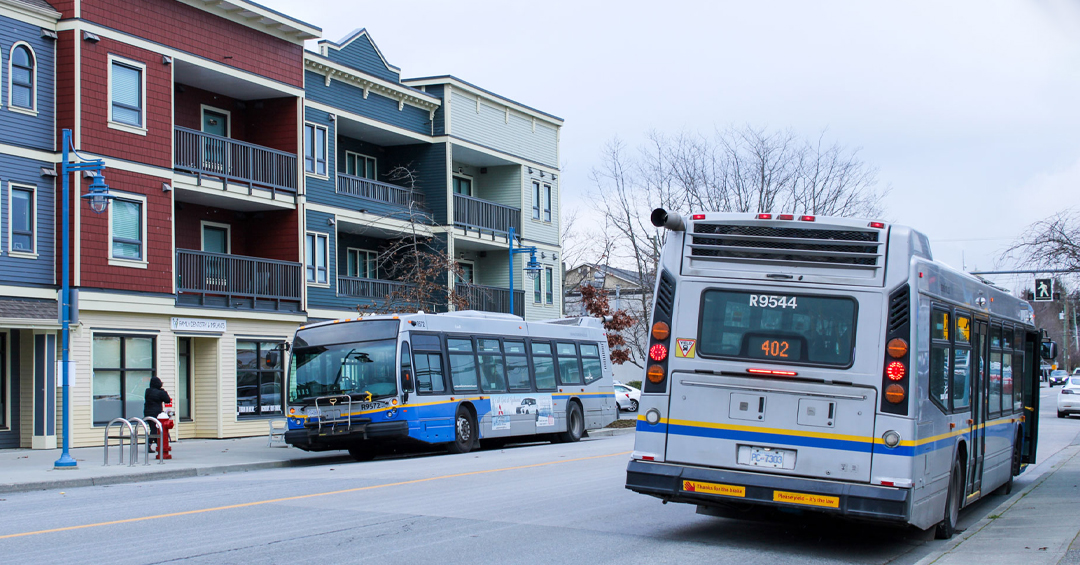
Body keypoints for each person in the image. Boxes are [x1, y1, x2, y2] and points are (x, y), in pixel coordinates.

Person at [144, 377, 171, 452]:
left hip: (147, 412)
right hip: (156, 413)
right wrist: (163, 391)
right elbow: (167, 400)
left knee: (153, 428)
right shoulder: (160, 393)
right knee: (155, 429)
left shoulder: (147, 391)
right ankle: (149, 444)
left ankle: (159, 445)